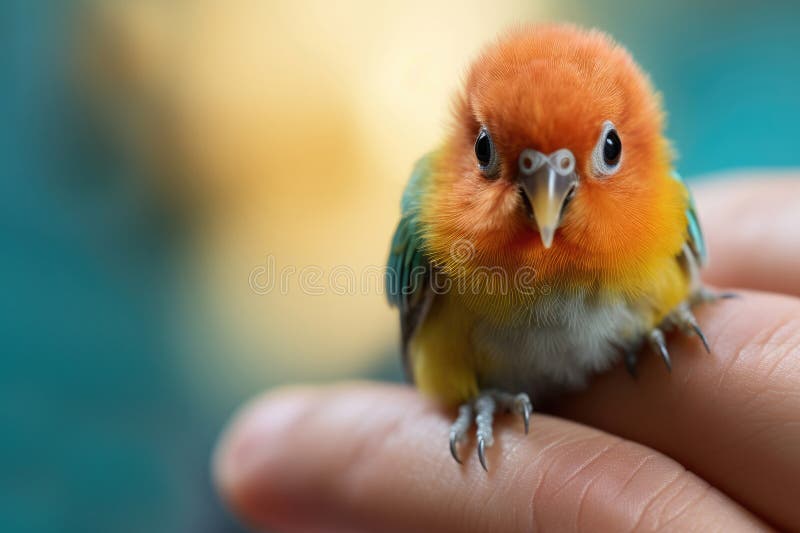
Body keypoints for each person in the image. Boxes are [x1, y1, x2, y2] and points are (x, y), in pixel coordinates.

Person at [214, 176, 800, 532]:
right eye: (497, 154)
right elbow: (415, 364)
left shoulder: (665, 202)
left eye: (606, 151)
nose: (548, 198)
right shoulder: (432, 227)